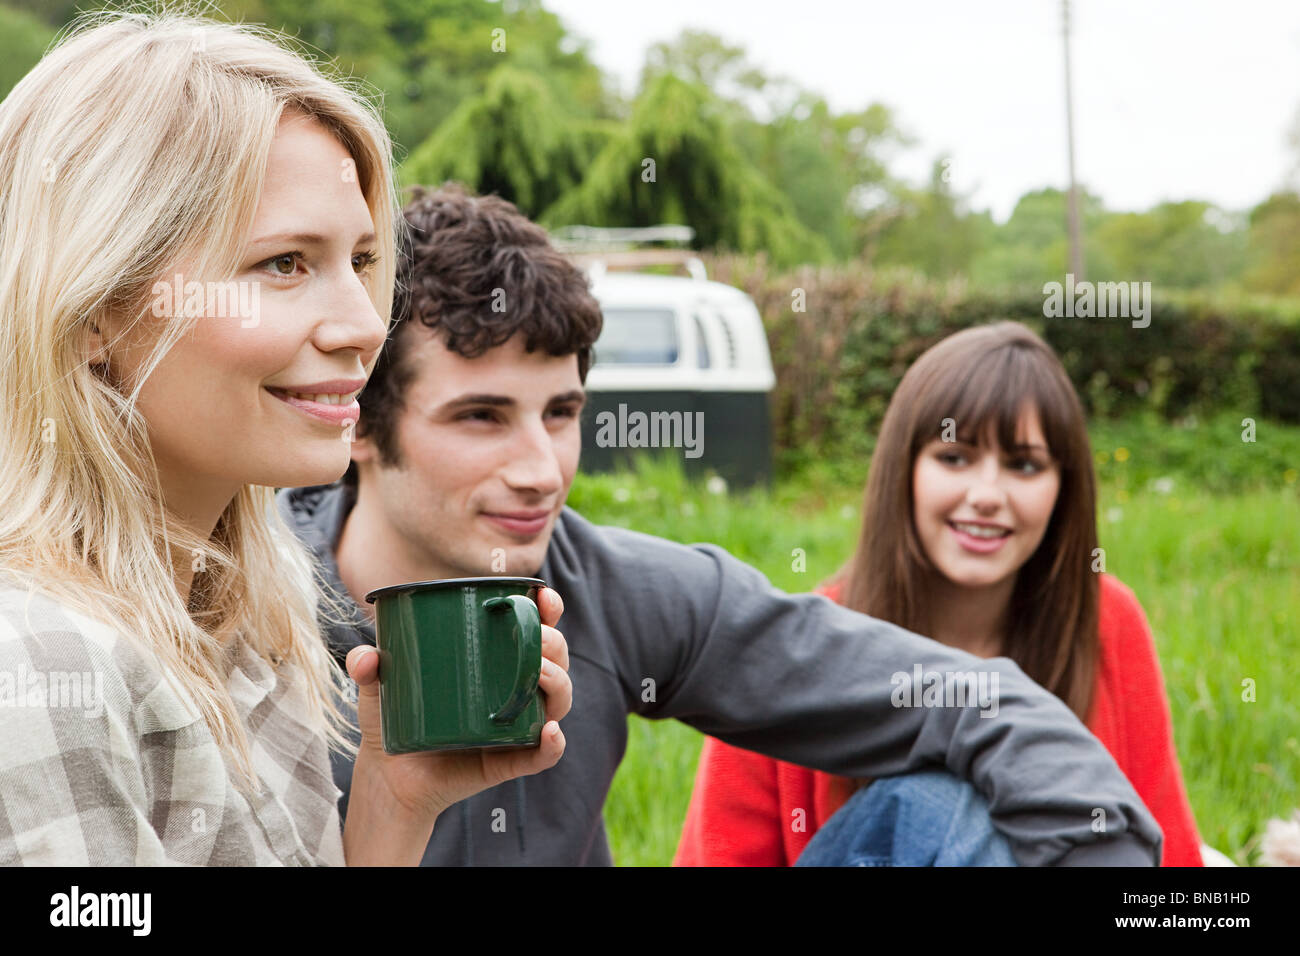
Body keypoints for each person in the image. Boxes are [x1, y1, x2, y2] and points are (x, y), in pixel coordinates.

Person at [278, 183, 1166, 866]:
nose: (542, 472)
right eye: (481, 416)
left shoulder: (609, 591)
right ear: (357, 422)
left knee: (941, 812)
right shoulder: (233, 606)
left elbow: (979, 702)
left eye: (561, 412)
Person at [0, 10, 570, 867]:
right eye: (283, 264)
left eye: (363, 261)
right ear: (90, 308)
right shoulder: (42, 666)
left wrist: (391, 804)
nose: (359, 326)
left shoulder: (249, 610)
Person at [674, 321, 1204, 866]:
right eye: (955, 458)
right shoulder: (794, 645)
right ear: (903, 470)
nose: (986, 495)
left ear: (1063, 489)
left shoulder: (1106, 620)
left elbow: (1167, 847)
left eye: (1024, 465)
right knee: (954, 798)